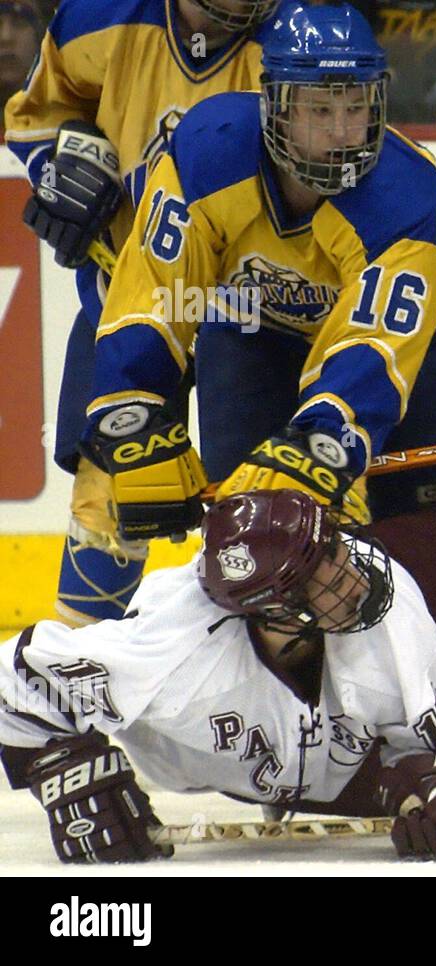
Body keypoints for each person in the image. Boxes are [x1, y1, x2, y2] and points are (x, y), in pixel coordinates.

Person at [75, 2, 436, 701]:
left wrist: (326, 438)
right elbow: (153, 292)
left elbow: (375, 340)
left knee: (418, 531)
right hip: (253, 333)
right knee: (255, 535)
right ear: (274, 101)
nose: (343, 133)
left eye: (357, 108)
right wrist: (135, 417)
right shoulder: (203, 151)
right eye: (319, 109)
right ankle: (303, 701)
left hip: (398, 353)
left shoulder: (404, 186)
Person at [0, 488, 436, 863]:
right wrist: (67, 774)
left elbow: (423, 752)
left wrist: (431, 785)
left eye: (333, 548)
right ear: (270, 609)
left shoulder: (383, 607)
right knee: (401, 784)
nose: (348, 573)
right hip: (251, 762)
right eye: (320, 574)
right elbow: (15, 679)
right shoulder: (166, 653)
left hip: (350, 742)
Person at [5, 0, 287, 627]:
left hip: (250, 314)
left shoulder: (295, 37)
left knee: (259, 497)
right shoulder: (96, 19)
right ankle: (74, 685)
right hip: (127, 293)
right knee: (110, 488)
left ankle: (266, 683)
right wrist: (57, 167)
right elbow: (38, 114)